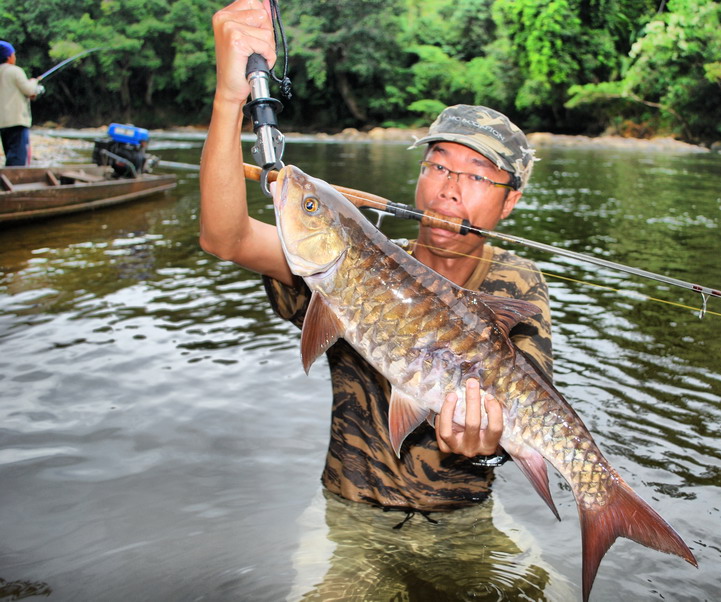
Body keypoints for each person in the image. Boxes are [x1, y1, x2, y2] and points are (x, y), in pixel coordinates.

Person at [200, 3, 564, 596]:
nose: (448, 188)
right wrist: (226, 101)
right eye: (437, 165)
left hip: (465, 526)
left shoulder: (517, 286)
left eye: (476, 175)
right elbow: (226, 235)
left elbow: (532, 409)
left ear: (510, 202)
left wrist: (487, 451)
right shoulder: (347, 259)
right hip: (353, 519)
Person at [0, 41, 42, 167]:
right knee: (18, 157)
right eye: (14, 55)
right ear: (9, 57)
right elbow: (30, 91)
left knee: (10, 153)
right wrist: (34, 82)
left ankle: (6, 182)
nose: (15, 57)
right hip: (17, 121)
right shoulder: (15, 71)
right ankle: (15, 183)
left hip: (2, 123)